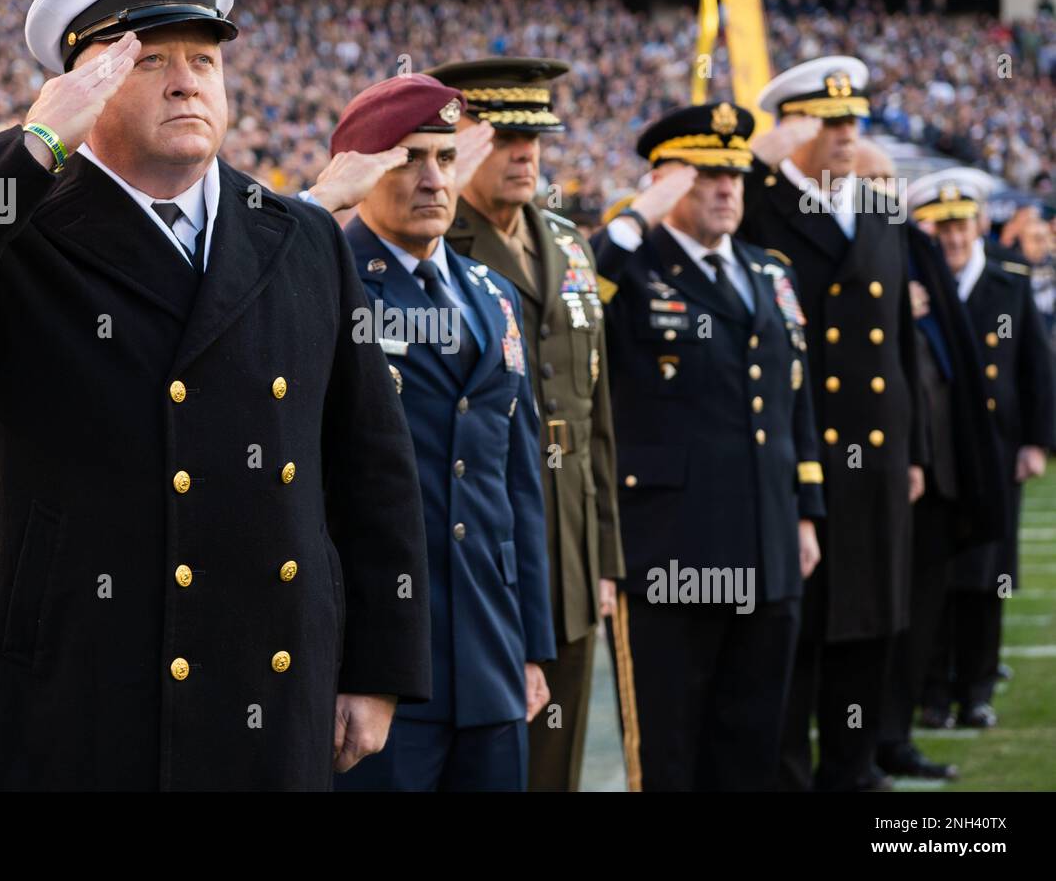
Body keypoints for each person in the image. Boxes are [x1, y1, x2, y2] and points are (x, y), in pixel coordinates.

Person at [0, 0, 430, 791]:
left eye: (204, 57)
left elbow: (373, 464)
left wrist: (377, 667)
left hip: (270, 684)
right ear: (84, 86)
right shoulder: (17, 231)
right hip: (84, 690)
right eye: (149, 60)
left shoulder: (298, 236)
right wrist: (32, 147)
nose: (187, 78)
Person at [329, 74, 555, 791]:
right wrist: (345, 668)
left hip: (489, 651)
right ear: (361, 169)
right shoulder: (326, 286)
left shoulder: (495, 296)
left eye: (446, 159)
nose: (432, 179)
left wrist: (531, 645)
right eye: (408, 158)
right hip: (380, 666)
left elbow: (519, 485)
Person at [591, 102, 824, 791]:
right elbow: (575, 305)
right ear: (664, 183)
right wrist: (635, 215)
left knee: (750, 744)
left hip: (767, 542)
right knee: (666, 752)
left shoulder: (768, 271)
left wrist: (806, 506)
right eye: (705, 177)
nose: (727, 189)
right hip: (669, 551)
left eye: (734, 175)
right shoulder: (631, 268)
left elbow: (795, 395)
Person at [423, 57, 627, 792]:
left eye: (535, 136)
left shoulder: (569, 244)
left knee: (556, 756)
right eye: (506, 135)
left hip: (567, 544)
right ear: (463, 141)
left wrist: (605, 553)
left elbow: (594, 411)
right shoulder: (435, 245)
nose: (525, 153)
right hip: (481, 542)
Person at [741, 56, 926, 792]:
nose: (847, 134)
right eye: (829, 120)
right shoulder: (759, 207)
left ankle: (852, 770)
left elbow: (900, 341)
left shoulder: (880, 208)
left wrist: (917, 451)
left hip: (878, 454)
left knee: (869, 623)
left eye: (854, 120)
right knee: (799, 630)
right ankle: (787, 775)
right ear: (793, 128)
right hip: (800, 453)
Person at [875, 167, 1008, 781]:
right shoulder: (858, 247)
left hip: (938, 473)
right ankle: (866, 739)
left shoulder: (915, 249)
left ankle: (896, 733)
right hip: (878, 474)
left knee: (925, 608)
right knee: (876, 617)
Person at [916, 170, 1056, 731]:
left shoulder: (1010, 279)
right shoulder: (915, 283)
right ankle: (931, 692)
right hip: (935, 455)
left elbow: (1036, 369)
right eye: (944, 225)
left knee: (989, 577)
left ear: (979, 223)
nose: (953, 237)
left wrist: (1037, 443)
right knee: (934, 579)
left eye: (962, 224)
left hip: (996, 454)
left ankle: (975, 689)